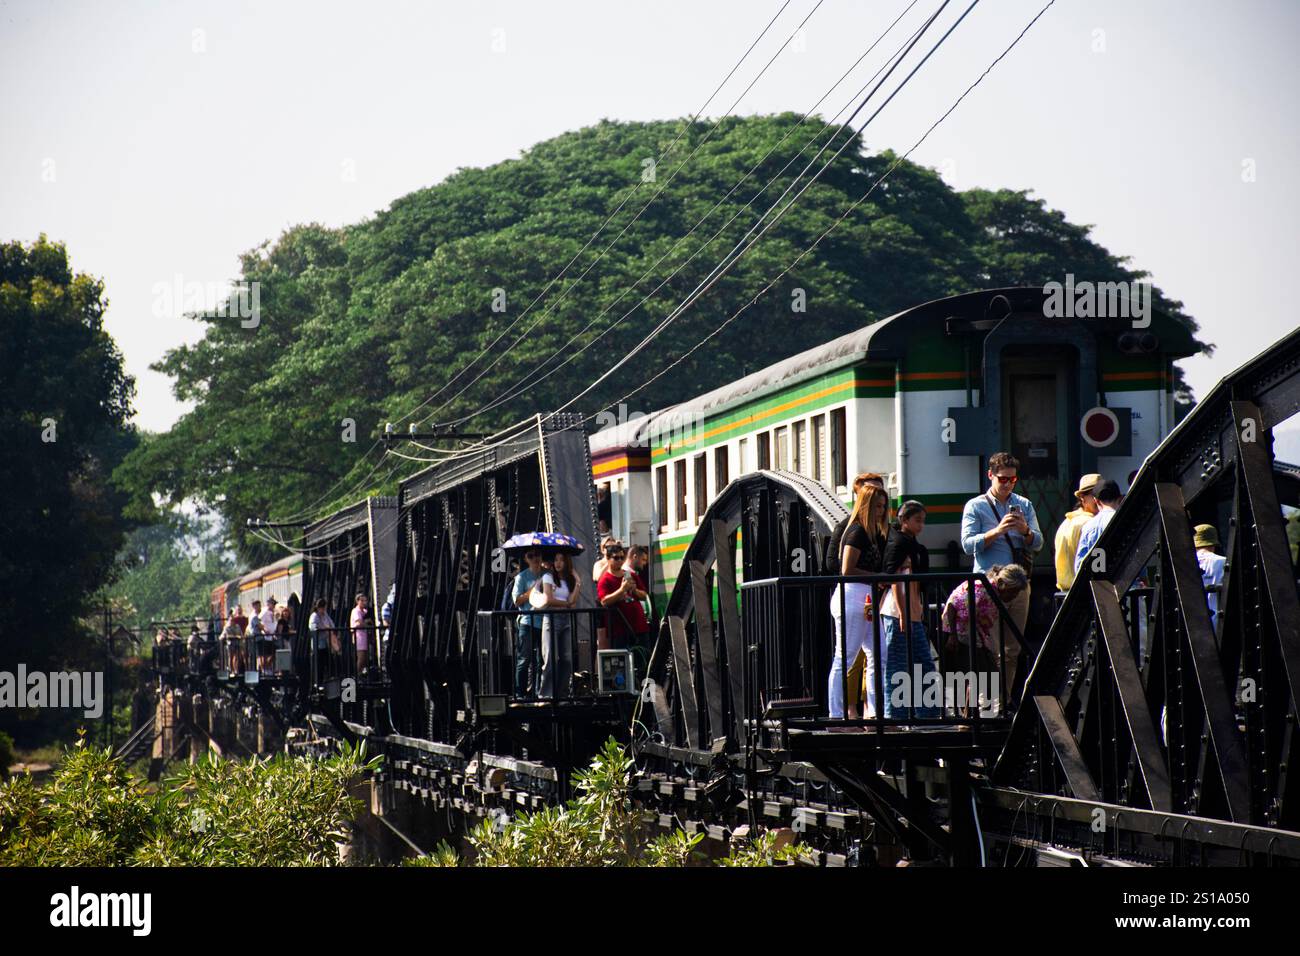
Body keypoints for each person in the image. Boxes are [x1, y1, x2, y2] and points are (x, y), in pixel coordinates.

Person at [960, 452, 1042, 701]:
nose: (1007, 484)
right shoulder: (976, 506)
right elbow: (967, 544)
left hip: (1018, 584)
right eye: (1002, 479)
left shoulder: (1024, 505)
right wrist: (997, 531)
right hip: (989, 586)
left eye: (1012, 479)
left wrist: (1025, 530)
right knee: (988, 649)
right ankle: (977, 708)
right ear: (990, 476)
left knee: (1012, 650)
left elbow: (1038, 543)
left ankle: (1001, 704)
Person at [828, 483, 889, 720]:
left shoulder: (873, 533)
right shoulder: (857, 531)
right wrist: (879, 577)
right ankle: (836, 715)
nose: (881, 512)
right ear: (866, 506)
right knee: (845, 656)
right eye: (877, 507)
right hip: (852, 596)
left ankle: (874, 712)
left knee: (878, 653)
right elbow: (846, 570)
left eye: (883, 507)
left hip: (866, 598)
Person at [940, 564, 1029, 716]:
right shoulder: (981, 589)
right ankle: (971, 718)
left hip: (977, 635)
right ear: (1004, 585)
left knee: (987, 675)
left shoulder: (994, 593)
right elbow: (952, 606)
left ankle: (978, 716)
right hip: (964, 635)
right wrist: (952, 636)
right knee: (979, 675)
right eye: (1013, 592)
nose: (1014, 597)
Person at [881, 500, 937, 719]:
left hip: (910, 611)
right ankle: (895, 716)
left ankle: (926, 715)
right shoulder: (900, 544)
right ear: (904, 520)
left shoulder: (909, 544)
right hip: (898, 612)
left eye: (923, 521)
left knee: (922, 664)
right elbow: (896, 579)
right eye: (917, 520)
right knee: (898, 667)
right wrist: (904, 612)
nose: (921, 525)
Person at [538, 552, 582, 698]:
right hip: (551, 619)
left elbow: (573, 602)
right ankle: (545, 695)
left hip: (565, 620)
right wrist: (566, 604)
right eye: (556, 560)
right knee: (551, 658)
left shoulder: (568, 581)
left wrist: (577, 582)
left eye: (562, 560)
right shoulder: (548, 577)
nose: (558, 563)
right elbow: (549, 599)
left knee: (566, 659)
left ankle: (561, 694)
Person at [598, 543, 650, 651]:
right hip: (619, 630)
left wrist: (634, 590)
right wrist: (622, 590)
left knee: (643, 659)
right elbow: (604, 601)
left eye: (622, 557)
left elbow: (644, 595)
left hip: (639, 627)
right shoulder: (605, 580)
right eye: (616, 558)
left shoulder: (630, 575)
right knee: (622, 663)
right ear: (608, 559)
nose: (620, 561)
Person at [1054, 474, 1101, 592]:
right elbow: (1097, 566)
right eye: (1094, 494)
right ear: (1082, 498)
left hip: (1066, 593)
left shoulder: (1066, 522)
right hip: (1084, 592)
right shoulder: (1091, 524)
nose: (1099, 499)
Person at [1073, 479, 1124, 575]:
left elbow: (1079, 566)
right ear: (1120, 498)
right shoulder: (1126, 521)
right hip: (1127, 584)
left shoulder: (1089, 526)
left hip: (1099, 586)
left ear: (1096, 501)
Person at [511, 551, 543, 696]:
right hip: (527, 622)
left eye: (537, 555)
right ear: (526, 559)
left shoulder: (548, 574)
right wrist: (534, 589)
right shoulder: (521, 577)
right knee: (524, 659)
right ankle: (521, 694)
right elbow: (517, 600)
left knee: (541, 660)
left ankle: (538, 691)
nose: (535, 558)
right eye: (530, 556)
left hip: (545, 621)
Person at [1193, 523, 1226, 629]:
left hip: (1192, 626)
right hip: (1218, 624)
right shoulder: (1224, 562)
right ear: (1214, 543)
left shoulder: (1186, 565)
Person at [307, 598, 335, 682]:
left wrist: (329, 628)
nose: (323, 610)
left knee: (328, 663)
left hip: (326, 643)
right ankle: (318, 682)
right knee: (319, 665)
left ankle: (328, 680)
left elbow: (332, 624)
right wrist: (323, 628)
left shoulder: (325, 615)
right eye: (322, 608)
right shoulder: (314, 616)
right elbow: (313, 627)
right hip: (318, 644)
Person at [351, 593, 372, 676]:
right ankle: (357, 675)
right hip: (359, 636)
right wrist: (367, 622)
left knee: (366, 657)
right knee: (361, 657)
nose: (364, 602)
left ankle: (363, 674)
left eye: (365, 600)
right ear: (357, 601)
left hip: (365, 636)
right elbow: (359, 623)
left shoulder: (364, 611)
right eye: (362, 600)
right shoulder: (356, 611)